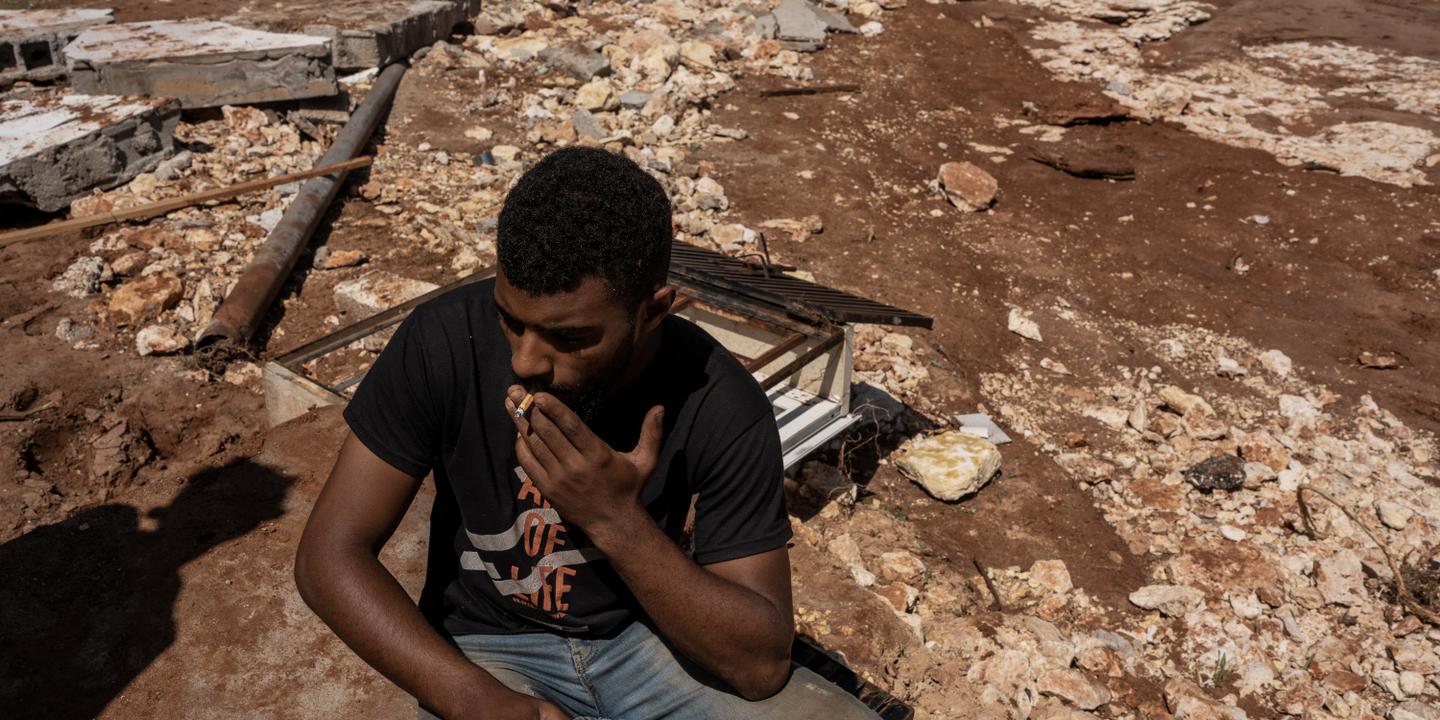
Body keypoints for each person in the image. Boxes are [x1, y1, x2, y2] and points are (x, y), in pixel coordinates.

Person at [295, 147, 880, 720]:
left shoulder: (720, 402)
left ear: (655, 311)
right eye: (510, 320)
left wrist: (612, 517)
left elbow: (759, 668)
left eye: (569, 339)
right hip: (488, 649)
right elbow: (330, 555)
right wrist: (473, 700)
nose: (526, 361)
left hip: (651, 641)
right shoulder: (442, 342)